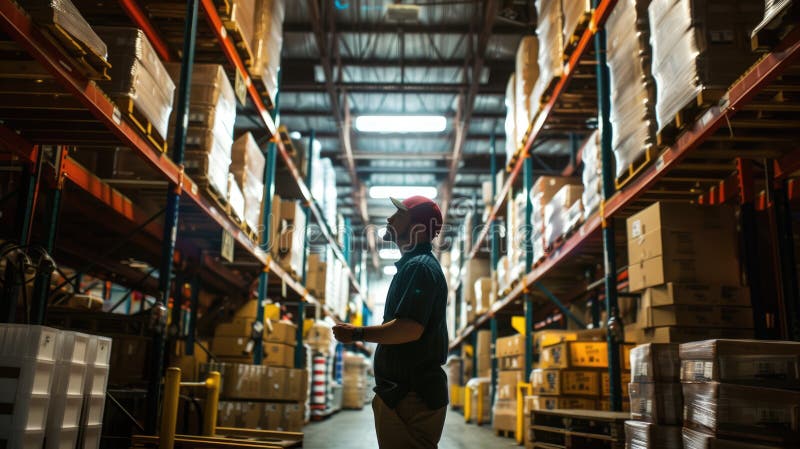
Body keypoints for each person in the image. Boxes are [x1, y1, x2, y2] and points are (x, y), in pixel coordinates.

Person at [333, 195, 449, 449]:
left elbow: (409, 328)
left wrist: (357, 333)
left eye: (399, 214)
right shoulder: (412, 267)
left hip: (411, 396)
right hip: (404, 394)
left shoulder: (419, 268)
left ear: (418, 227)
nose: (389, 218)